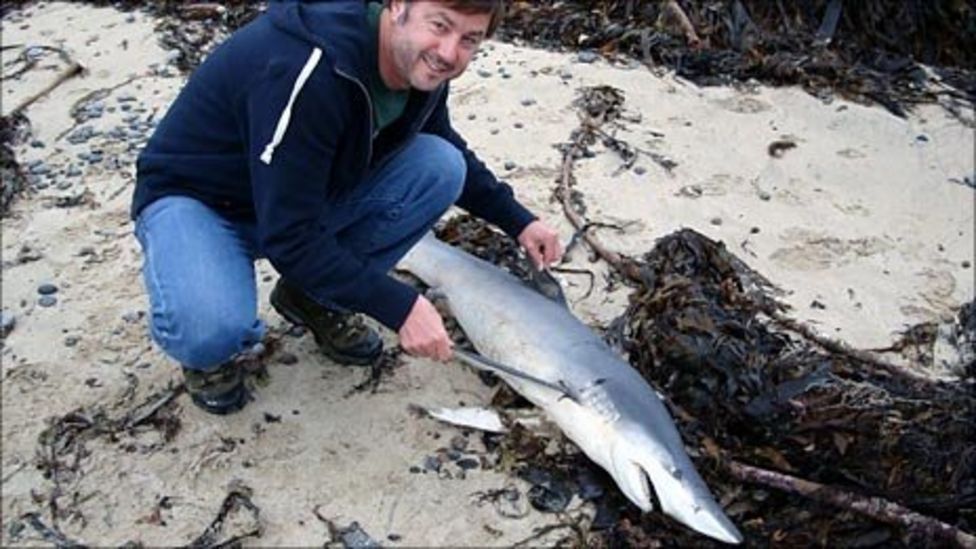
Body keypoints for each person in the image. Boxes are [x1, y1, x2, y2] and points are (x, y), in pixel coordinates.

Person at [131, 0, 563, 415]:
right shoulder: (313, 70)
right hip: (201, 202)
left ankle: (312, 298)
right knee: (212, 329)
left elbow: (442, 139)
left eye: (470, 39)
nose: (449, 53)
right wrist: (399, 306)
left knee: (439, 165)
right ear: (398, 6)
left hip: (298, 195)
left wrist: (519, 221)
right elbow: (289, 236)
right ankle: (206, 357)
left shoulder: (420, 64)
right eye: (440, 25)